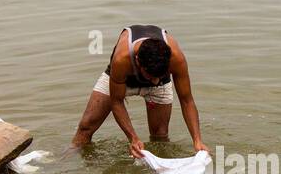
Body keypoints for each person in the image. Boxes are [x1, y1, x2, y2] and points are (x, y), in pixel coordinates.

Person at [71, 25, 206, 158]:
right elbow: (116, 102)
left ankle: (159, 171)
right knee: (86, 127)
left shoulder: (176, 59)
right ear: (137, 61)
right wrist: (133, 138)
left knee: (160, 137)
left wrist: (197, 140)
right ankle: (69, 160)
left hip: (161, 82)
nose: (153, 81)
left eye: (158, 76)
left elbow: (187, 100)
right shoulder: (121, 60)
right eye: (150, 76)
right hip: (121, 79)